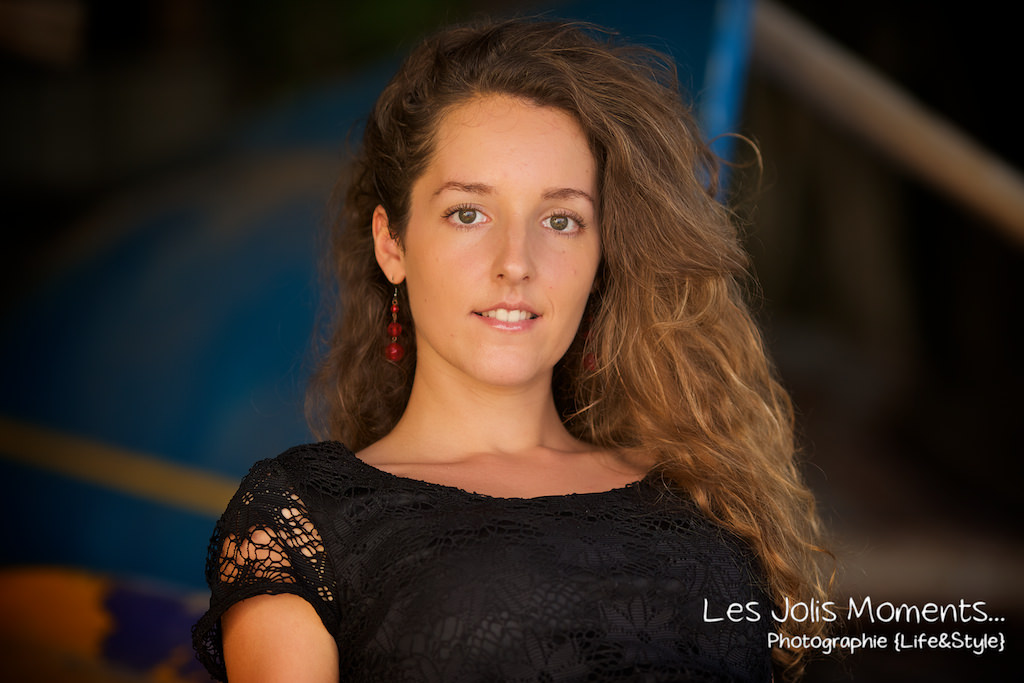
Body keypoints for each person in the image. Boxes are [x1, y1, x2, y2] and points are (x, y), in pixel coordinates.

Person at [193, 17, 830, 682]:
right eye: (469, 213)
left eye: (561, 220)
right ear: (393, 244)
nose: (516, 262)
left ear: (602, 254)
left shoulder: (701, 492)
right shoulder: (302, 519)